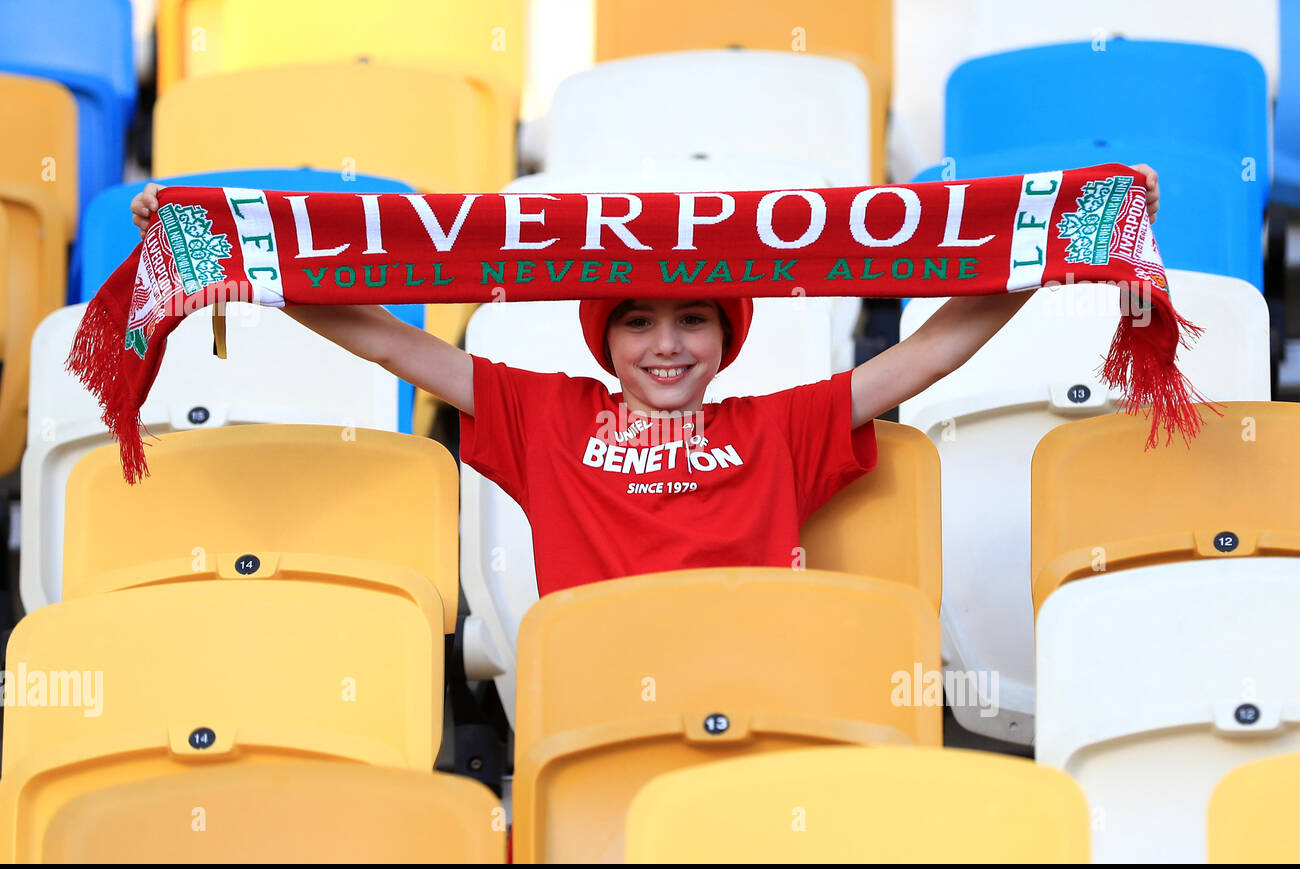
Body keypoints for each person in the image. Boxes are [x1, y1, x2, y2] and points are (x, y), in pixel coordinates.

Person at [130, 166, 1160, 597]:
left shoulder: (782, 425)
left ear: (727, 336)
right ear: (603, 339)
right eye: (637, 322)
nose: (665, 346)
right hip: (595, 687)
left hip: (762, 684)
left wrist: (1059, 250)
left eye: (691, 321)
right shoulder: (541, 410)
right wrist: (248, 267)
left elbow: (929, 352)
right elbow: (395, 346)